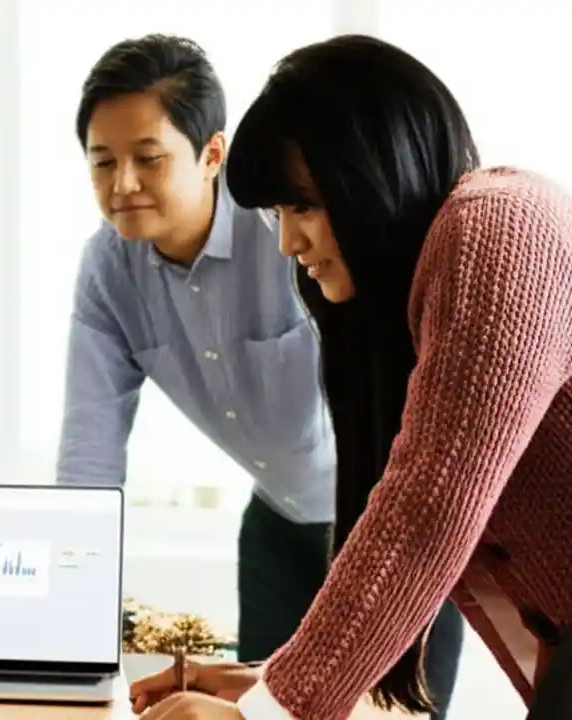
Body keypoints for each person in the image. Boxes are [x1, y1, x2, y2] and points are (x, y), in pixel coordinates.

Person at [128, 33, 572, 720]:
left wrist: (271, 710)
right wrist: (271, 682)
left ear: (373, 171)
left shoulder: (500, 227)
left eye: (303, 206)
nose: (288, 242)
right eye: (277, 215)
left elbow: (425, 507)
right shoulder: (419, 301)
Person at [56, 33, 466, 717]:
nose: (122, 185)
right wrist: (66, 617)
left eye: (147, 159)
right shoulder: (108, 273)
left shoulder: (296, 230)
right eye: (103, 163)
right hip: (277, 525)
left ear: (212, 153)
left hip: (388, 521)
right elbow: (89, 457)